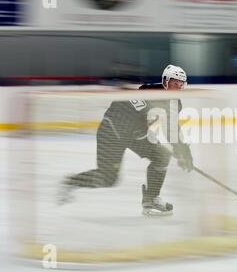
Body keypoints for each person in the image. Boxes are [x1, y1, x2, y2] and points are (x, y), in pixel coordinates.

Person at [58, 65, 194, 216]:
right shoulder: (148, 92)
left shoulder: (175, 102)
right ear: (165, 81)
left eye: (180, 84)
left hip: (134, 135)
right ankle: (72, 181)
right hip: (111, 132)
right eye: (175, 83)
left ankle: (151, 199)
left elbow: (172, 128)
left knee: (161, 155)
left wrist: (184, 151)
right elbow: (122, 113)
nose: (177, 87)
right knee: (108, 179)